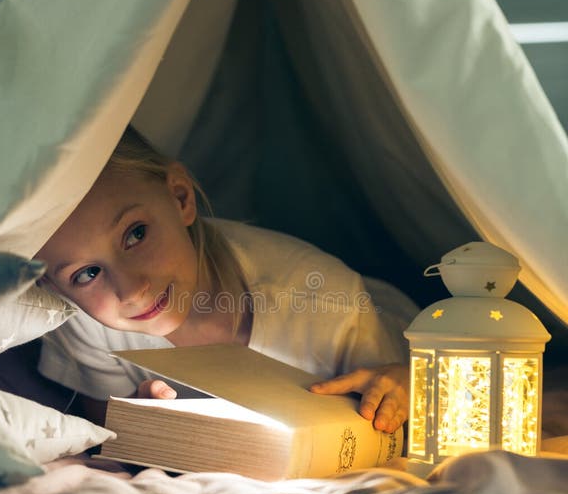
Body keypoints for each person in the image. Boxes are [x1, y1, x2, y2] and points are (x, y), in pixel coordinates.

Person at [37, 126, 416, 432]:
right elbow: (103, 420)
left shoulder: (325, 303)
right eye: (88, 273)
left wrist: (406, 384)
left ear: (180, 198)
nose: (133, 290)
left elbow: (402, 400)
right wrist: (140, 420)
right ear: (54, 285)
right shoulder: (76, 314)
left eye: (136, 234)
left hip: (398, 330)